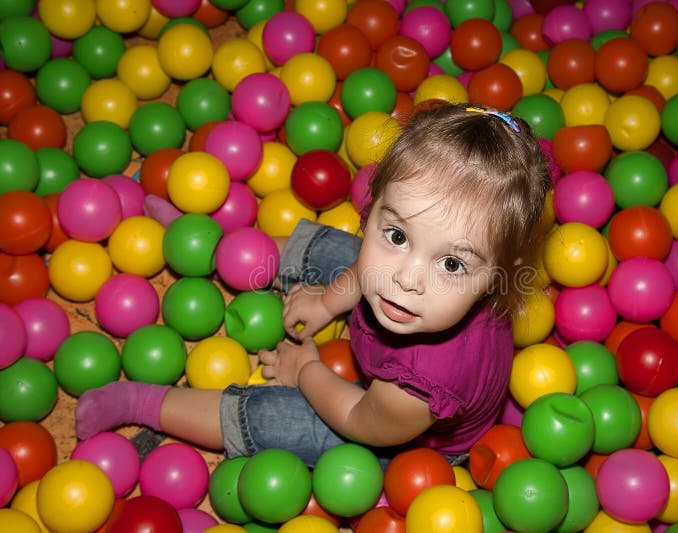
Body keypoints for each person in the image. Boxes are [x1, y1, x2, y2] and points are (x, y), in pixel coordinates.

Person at [75, 103, 552, 466]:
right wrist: (327, 302)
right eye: (397, 234)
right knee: (346, 253)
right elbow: (372, 271)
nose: (406, 278)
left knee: (281, 420)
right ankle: (208, 245)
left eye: (452, 264)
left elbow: (358, 418)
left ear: (497, 276)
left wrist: (304, 369)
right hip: (386, 374)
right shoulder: (397, 275)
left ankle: (143, 402)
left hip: (394, 436)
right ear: (374, 205)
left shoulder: (423, 385)